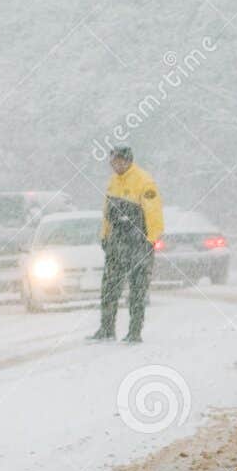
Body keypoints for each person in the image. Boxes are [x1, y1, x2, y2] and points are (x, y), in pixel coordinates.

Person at [89, 145, 163, 343]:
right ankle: (106, 329)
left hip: (138, 242)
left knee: (137, 290)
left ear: (129, 161)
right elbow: (107, 213)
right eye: (114, 162)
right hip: (116, 243)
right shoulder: (113, 182)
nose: (117, 165)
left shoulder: (144, 181)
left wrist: (151, 240)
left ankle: (134, 331)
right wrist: (105, 236)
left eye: (121, 161)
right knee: (109, 287)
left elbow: (154, 213)